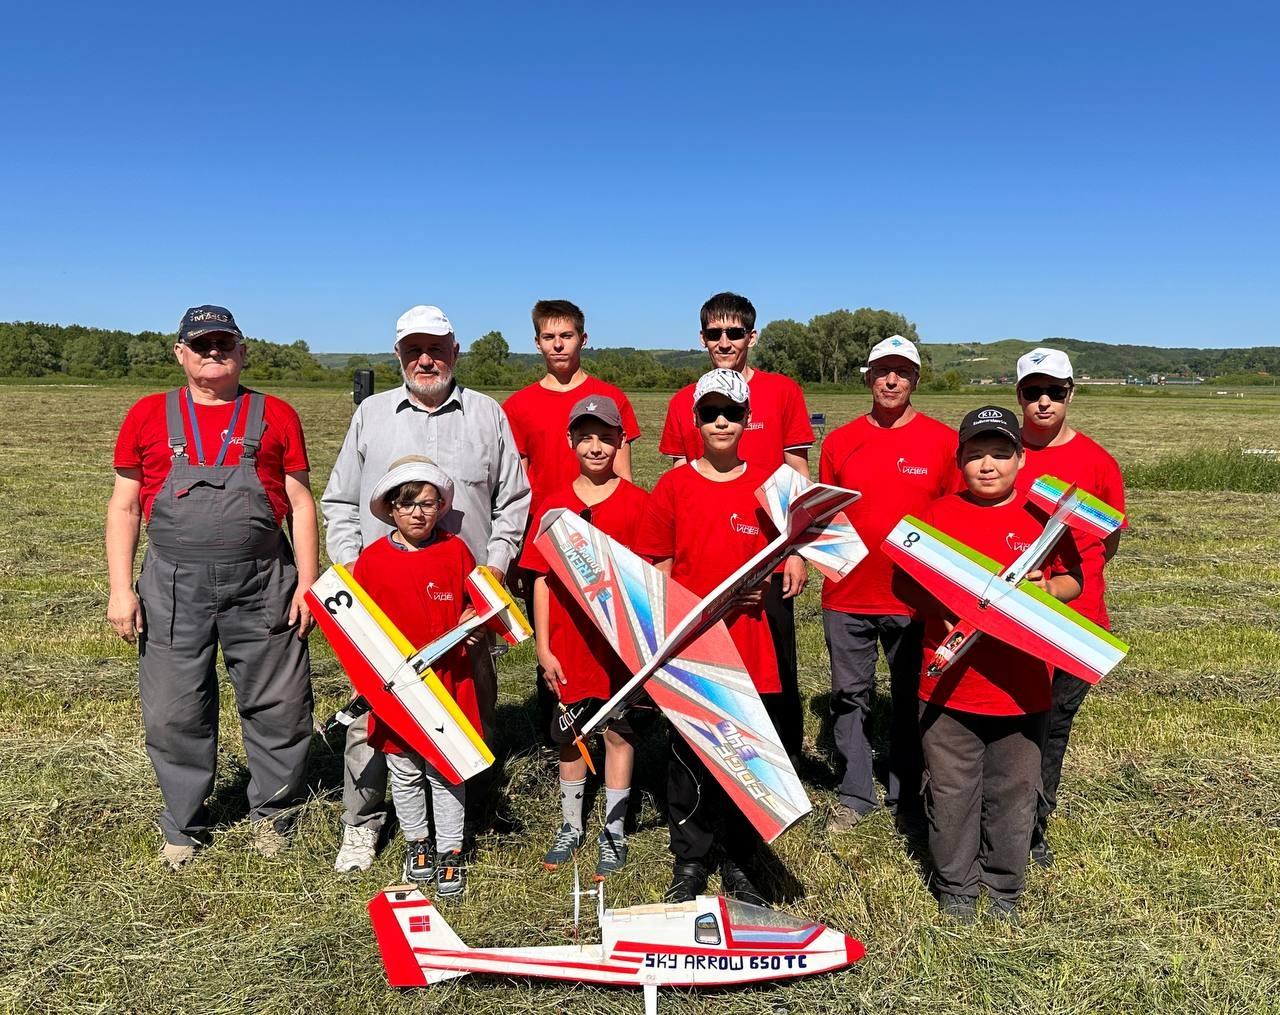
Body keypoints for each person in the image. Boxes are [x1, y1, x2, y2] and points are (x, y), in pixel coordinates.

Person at [105, 305, 317, 870]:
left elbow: (300, 504)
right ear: (180, 353)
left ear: (243, 352)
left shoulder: (276, 415)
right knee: (174, 710)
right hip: (172, 584)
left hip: (265, 581)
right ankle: (183, 825)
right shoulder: (148, 415)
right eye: (201, 345)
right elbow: (124, 506)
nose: (213, 353)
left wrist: (308, 584)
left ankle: (274, 815)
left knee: (279, 705)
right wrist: (120, 589)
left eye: (225, 344)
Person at [321, 304, 530, 873]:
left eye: (436, 347)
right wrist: (351, 573)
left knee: (471, 706)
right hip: (382, 612)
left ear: (455, 351)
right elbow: (338, 500)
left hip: (462, 610)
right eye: (414, 348)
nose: (425, 358)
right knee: (375, 716)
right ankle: (362, 825)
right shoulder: (372, 415)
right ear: (398, 355)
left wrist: (492, 570)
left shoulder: (487, 414)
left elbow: (513, 499)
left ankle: (462, 823)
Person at [896, 406, 1083, 924]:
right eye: (975, 455)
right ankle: (957, 883)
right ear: (959, 461)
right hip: (949, 688)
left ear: (1021, 460)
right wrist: (954, 598)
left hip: (1023, 691)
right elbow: (904, 584)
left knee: (1015, 793)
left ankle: (1004, 885)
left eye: (1000, 454)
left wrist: (1046, 592)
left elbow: (1073, 579)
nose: (987, 465)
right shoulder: (933, 518)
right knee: (952, 792)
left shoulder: (1042, 518)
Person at [636, 368, 807, 906]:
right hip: (691, 647)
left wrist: (783, 569)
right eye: (709, 413)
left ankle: (738, 857)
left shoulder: (771, 482)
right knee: (688, 753)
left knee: (744, 751)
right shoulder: (673, 485)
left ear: (747, 419)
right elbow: (658, 566)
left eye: (731, 413)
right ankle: (691, 857)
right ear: (695, 422)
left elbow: (793, 544)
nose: (720, 422)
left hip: (751, 643)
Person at [658, 292, 813, 758]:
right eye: (714, 334)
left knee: (778, 662)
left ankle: (783, 757)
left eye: (734, 332)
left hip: (768, 554)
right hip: (706, 560)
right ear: (702, 338)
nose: (724, 342)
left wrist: (798, 550)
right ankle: (711, 751)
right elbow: (683, 481)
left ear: (752, 335)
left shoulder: (783, 391)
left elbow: (798, 473)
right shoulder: (686, 400)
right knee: (706, 660)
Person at [819, 336, 960, 833]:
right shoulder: (839, 442)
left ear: (916, 380)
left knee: (909, 696)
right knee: (848, 695)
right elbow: (826, 520)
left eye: (901, 371)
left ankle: (906, 791)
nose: (891, 380)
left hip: (913, 596)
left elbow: (956, 518)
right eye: (882, 370)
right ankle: (855, 792)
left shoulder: (944, 442)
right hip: (847, 593)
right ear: (868, 378)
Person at [518, 396, 651, 879]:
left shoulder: (639, 504)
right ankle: (570, 824)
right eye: (586, 437)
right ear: (570, 441)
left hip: (619, 650)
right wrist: (543, 646)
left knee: (619, 731)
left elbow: (648, 579)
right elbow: (541, 578)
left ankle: (613, 833)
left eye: (606, 437)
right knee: (570, 734)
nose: (596, 447)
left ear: (620, 441)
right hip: (568, 646)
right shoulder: (552, 503)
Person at [503, 300, 641, 742]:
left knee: (609, 645)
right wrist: (525, 553)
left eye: (567, 336)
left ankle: (616, 732)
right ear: (537, 342)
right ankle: (560, 742)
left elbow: (626, 475)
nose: (558, 344)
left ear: (583, 338)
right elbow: (516, 485)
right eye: (549, 337)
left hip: (603, 546)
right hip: (547, 546)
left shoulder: (611, 396)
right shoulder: (521, 405)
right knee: (556, 645)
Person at [1013, 348, 1126, 868]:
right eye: (1032, 391)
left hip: (1078, 625)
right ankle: (1000, 822)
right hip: (1013, 620)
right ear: (1017, 395)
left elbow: (1110, 539)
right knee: (1011, 727)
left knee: (1054, 730)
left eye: (1054, 392)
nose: (1042, 402)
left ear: (1070, 393)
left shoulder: (1099, 464)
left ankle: (1035, 828)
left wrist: (1068, 585)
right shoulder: (1000, 455)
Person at [352, 456, 480, 898]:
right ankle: (418, 843)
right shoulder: (371, 561)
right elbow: (357, 629)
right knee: (404, 768)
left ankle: (450, 849)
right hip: (396, 687)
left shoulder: (455, 551)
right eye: (407, 505)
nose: (418, 513)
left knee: (445, 770)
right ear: (390, 509)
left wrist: (472, 615)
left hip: (447, 680)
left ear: (440, 507)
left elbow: (479, 602)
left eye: (427, 503)